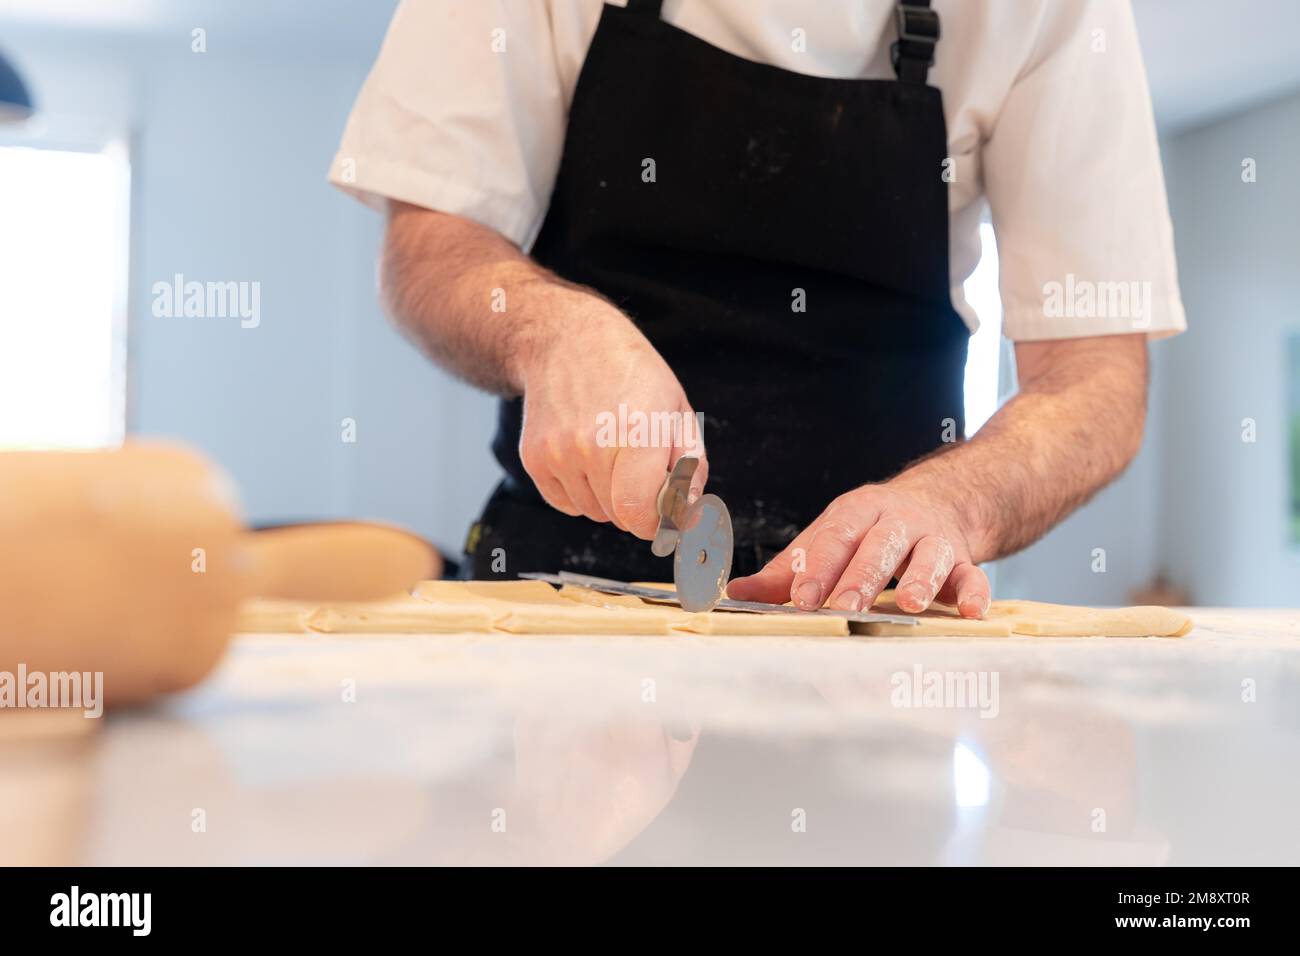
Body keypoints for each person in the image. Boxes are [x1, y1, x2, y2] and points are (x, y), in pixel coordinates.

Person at [330, 0, 1184, 618]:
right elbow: (431, 242)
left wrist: (955, 503)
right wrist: (554, 331)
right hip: (564, 590)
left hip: (865, 618)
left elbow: (1095, 374)